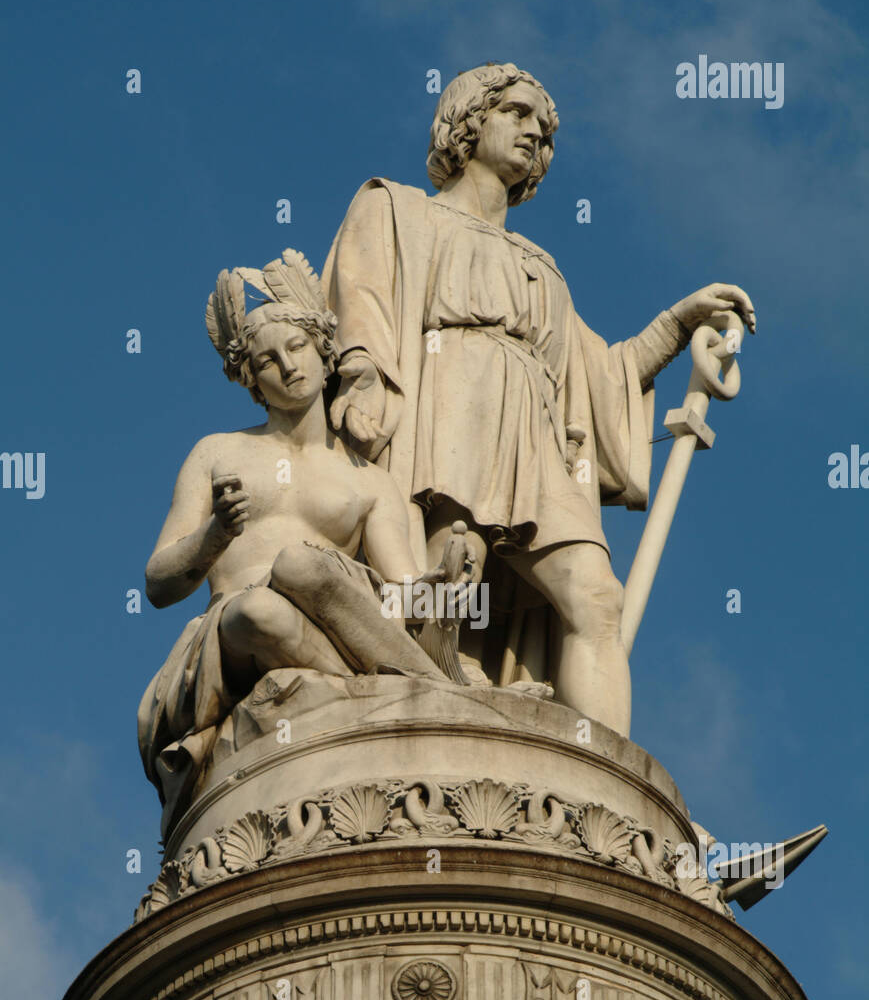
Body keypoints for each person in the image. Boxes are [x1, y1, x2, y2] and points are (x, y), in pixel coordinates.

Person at [321, 62, 756, 734]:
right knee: (446, 587)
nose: (535, 134)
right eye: (517, 114)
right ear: (470, 119)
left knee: (595, 598)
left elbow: (596, 377)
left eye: (543, 128)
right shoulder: (397, 209)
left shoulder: (540, 266)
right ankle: (435, 732)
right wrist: (360, 379)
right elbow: (362, 305)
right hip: (446, 406)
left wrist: (675, 325)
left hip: (533, 434)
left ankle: (605, 781)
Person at [138, 249, 460, 830]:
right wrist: (214, 537)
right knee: (259, 607)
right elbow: (158, 582)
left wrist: (445, 586)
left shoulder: (371, 482)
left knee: (297, 570)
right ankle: (421, 696)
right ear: (251, 381)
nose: (287, 366)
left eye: (296, 347)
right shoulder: (218, 452)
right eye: (266, 361)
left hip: (329, 625)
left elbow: (402, 594)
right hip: (228, 637)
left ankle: (424, 693)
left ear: (322, 348)